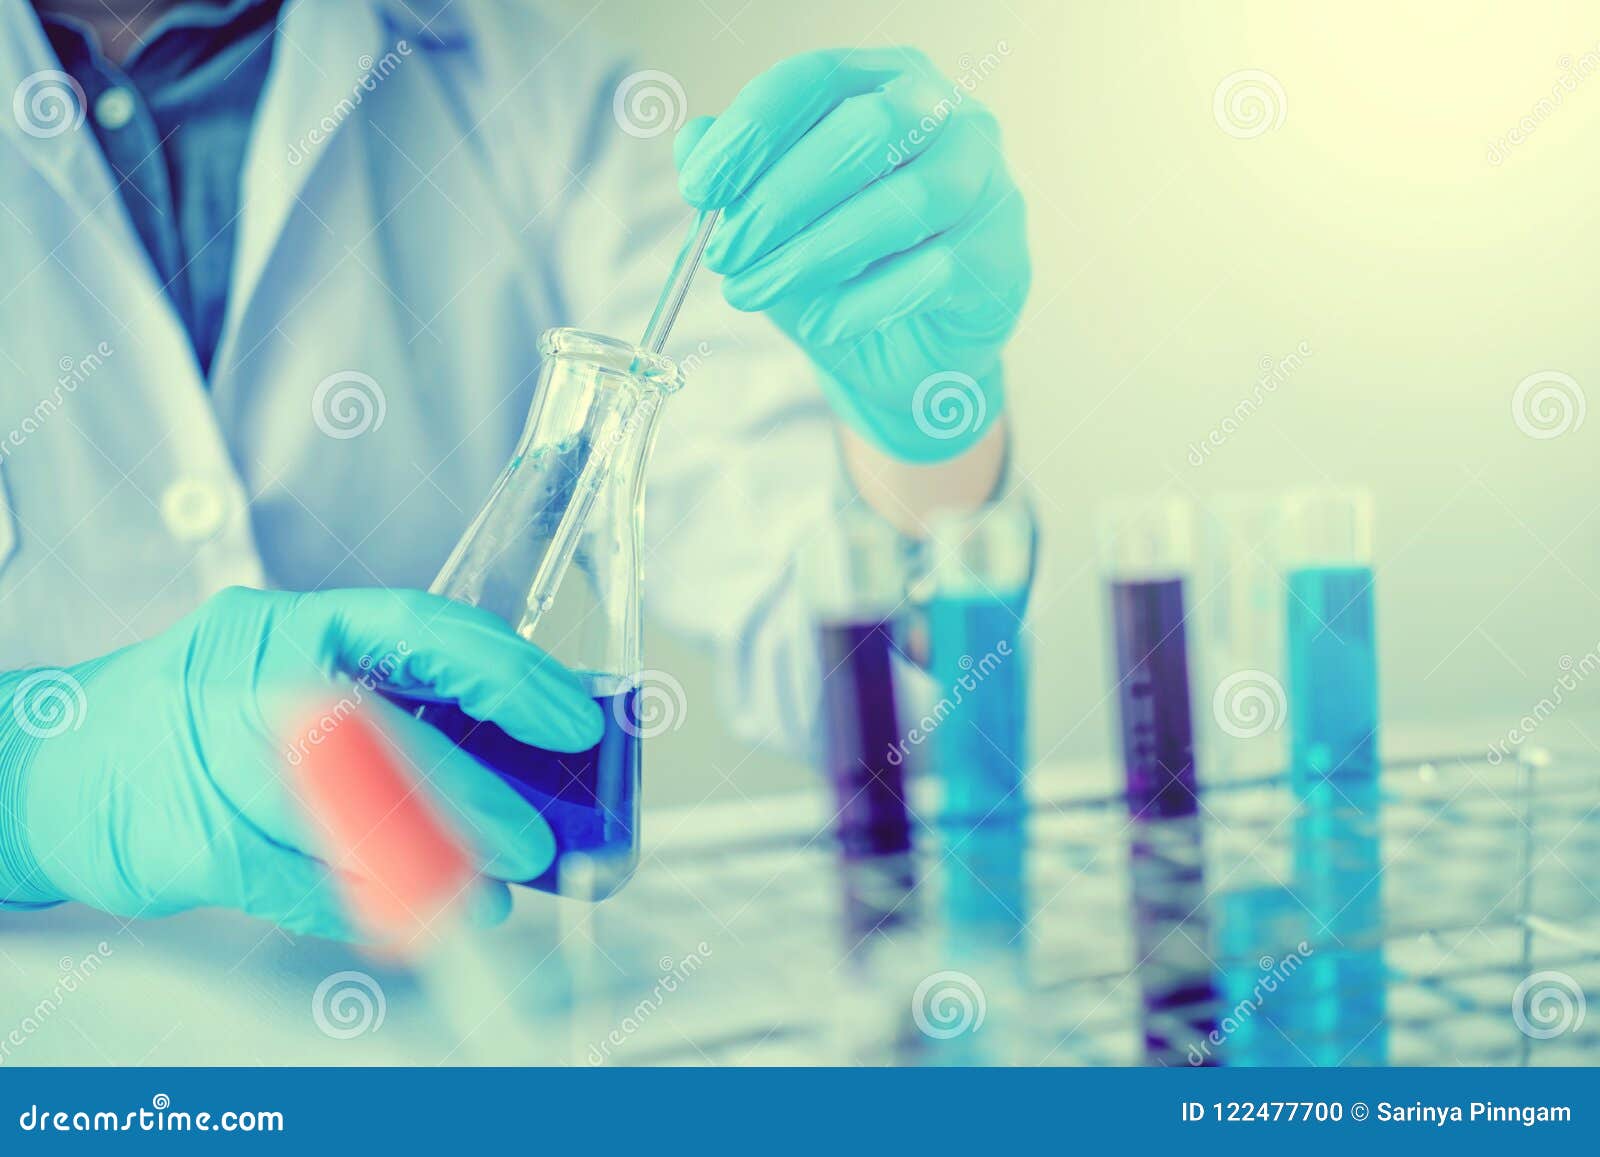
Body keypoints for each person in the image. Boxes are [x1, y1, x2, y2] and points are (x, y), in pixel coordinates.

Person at [0, 0, 1030, 936]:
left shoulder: (534, 91)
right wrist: (34, 781)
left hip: (463, 1026)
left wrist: (919, 430)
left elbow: (860, 684)